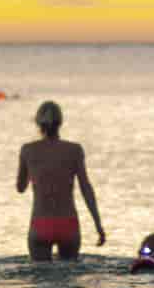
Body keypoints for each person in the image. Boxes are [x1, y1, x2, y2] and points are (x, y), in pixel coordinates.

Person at [16, 100, 104, 261]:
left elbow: (20, 188)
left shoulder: (27, 150)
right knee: (68, 280)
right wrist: (98, 224)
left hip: (40, 224)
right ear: (60, 123)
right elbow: (86, 188)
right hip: (68, 225)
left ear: (38, 123)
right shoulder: (75, 150)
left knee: (40, 281)